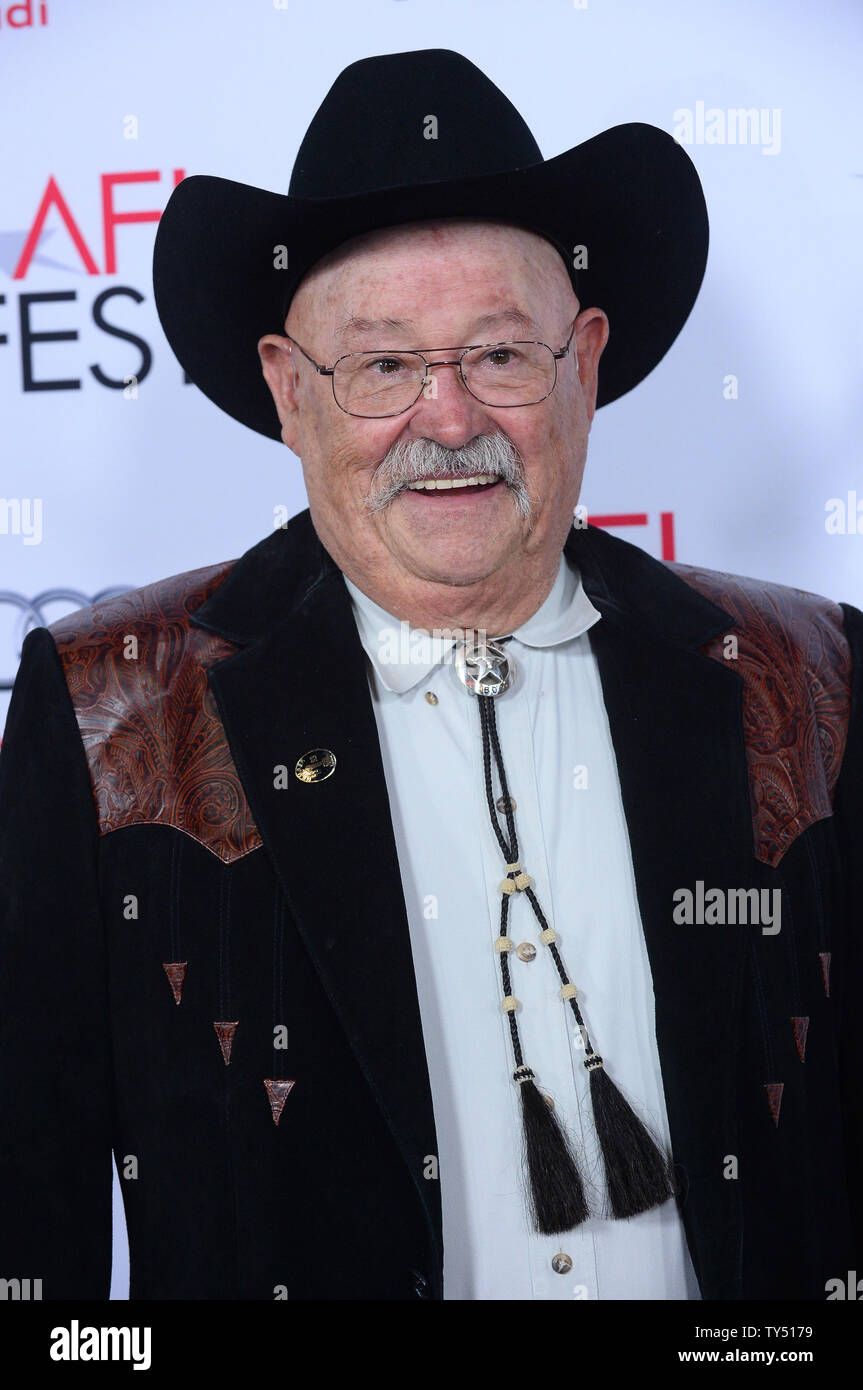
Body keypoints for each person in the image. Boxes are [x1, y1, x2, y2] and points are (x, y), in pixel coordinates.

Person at [0, 48, 859, 1302]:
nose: (448, 420)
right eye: (383, 366)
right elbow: (34, 1240)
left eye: (500, 355)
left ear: (586, 363)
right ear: (290, 394)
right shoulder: (105, 713)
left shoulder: (814, 678)